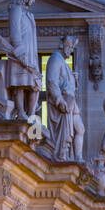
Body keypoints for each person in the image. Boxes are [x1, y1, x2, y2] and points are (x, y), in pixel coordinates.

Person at [0, 0, 41, 121]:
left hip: (31, 53)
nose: (33, 0)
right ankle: (21, 112)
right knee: (19, 84)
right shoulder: (16, 10)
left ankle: (31, 114)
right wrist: (20, 54)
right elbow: (15, 33)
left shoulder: (29, 15)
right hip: (19, 53)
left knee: (35, 84)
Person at [45, 34, 85, 164]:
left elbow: (67, 86)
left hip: (70, 103)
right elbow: (52, 81)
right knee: (71, 132)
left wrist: (75, 82)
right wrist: (59, 99)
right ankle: (63, 154)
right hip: (63, 104)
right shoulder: (55, 59)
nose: (71, 50)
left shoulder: (64, 63)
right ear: (63, 45)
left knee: (80, 129)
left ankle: (77, 157)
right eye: (70, 47)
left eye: (73, 48)